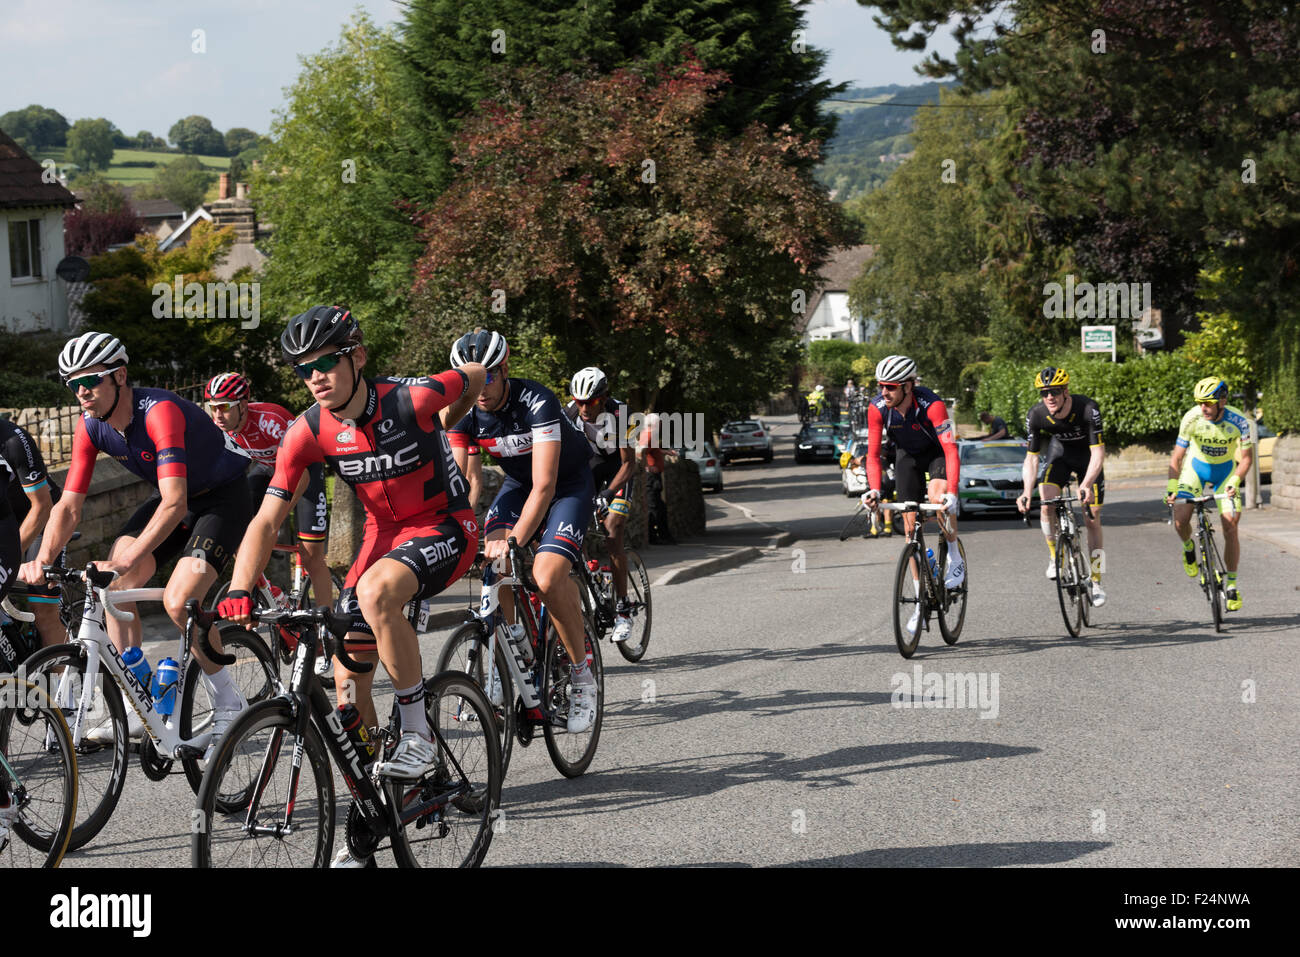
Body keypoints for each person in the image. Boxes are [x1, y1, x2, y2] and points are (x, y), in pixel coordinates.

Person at [220, 307, 484, 797]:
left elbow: (474, 373)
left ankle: (417, 734)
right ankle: (377, 806)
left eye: (325, 364)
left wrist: (449, 417)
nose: (314, 378)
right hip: (381, 538)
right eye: (302, 370)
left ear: (357, 357)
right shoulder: (308, 431)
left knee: (376, 592)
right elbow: (266, 519)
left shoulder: (412, 397)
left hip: (445, 525)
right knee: (346, 687)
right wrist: (239, 587)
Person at [20, 332, 254, 749]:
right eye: (72, 384)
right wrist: (43, 559)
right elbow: (69, 505)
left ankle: (229, 704)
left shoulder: (158, 411)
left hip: (222, 497)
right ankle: (137, 706)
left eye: (90, 380)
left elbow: (176, 503)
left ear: (120, 376)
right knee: (116, 589)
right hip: (170, 498)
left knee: (179, 600)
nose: (81, 392)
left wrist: (127, 560)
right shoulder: (90, 425)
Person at [445, 330, 598, 734]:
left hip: (566, 485)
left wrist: (513, 540)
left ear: (505, 369)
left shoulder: (537, 400)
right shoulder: (463, 410)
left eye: (488, 377)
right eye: (469, 380)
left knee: (546, 578)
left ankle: (582, 676)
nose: (479, 389)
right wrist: (453, 532)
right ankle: (512, 651)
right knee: (496, 571)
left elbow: (545, 484)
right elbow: (460, 480)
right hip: (518, 486)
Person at [204, 372, 335, 681]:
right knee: (238, 527)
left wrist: (275, 516)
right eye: (212, 407)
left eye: (224, 407)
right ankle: (269, 592)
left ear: (244, 404)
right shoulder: (220, 428)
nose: (217, 415)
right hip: (267, 469)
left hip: (304, 468)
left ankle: (328, 638)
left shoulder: (270, 421)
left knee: (311, 555)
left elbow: (297, 470)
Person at [859, 355, 964, 636]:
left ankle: (954, 556)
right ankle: (920, 602)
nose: (884, 392)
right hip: (907, 457)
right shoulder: (877, 408)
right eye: (881, 385)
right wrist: (874, 489)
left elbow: (951, 451)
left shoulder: (933, 405)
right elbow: (872, 456)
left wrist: (951, 493)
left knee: (937, 495)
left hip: (938, 454)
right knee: (909, 527)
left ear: (908, 385)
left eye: (891, 387)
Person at [1015, 367, 1107, 606]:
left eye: (1055, 391)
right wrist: (1027, 491)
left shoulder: (1088, 409)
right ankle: (1054, 556)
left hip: (1088, 460)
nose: (1049, 397)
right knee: (1046, 502)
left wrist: (1086, 483)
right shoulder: (1036, 414)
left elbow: (1098, 453)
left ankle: (1097, 580)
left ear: (1066, 391)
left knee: (1093, 519)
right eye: (1044, 392)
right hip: (1061, 456)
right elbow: (1032, 457)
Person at [1164, 376, 1253, 611]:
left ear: (1222, 401)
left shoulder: (1239, 421)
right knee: (1180, 520)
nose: (1203, 408)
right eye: (1200, 402)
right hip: (1196, 469)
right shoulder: (1192, 417)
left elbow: (1246, 459)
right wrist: (1172, 488)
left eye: (1208, 402)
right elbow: (1177, 457)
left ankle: (1232, 585)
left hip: (1225, 474)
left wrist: (1235, 480)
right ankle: (1189, 549)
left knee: (1231, 526)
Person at [564, 367, 638, 642]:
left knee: (612, 529)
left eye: (591, 401)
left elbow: (630, 463)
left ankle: (623, 608)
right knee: (571, 526)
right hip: (591, 469)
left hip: (619, 470)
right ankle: (590, 574)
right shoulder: (569, 414)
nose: (584, 407)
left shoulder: (625, 415)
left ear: (604, 397)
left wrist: (608, 494)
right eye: (579, 400)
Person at [0, 417, 67, 646]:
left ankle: (64, 680)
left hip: (41, 516)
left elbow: (43, 506)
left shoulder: (14, 440)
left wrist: (9, 557)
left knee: (43, 611)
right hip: (5, 519)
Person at [638, 412, 678, 545]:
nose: (661, 425)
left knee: (659, 507)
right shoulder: (648, 435)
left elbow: (651, 449)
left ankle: (661, 535)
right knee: (654, 507)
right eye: (659, 423)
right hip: (651, 478)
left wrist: (665, 452)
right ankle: (655, 537)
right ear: (654, 424)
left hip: (654, 477)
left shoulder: (650, 435)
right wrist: (647, 468)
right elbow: (640, 452)